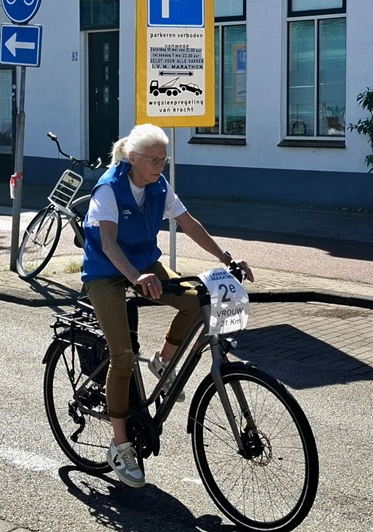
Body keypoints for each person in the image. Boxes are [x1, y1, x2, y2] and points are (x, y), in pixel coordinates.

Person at [81, 123, 254, 487]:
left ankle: (163, 360)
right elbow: (109, 245)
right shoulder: (109, 190)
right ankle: (120, 444)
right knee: (123, 357)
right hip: (106, 272)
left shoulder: (159, 185)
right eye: (154, 159)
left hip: (144, 265)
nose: (160, 165)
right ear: (133, 158)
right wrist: (135, 278)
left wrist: (227, 257)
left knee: (194, 302)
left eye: (164, 159)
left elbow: (189, 223)